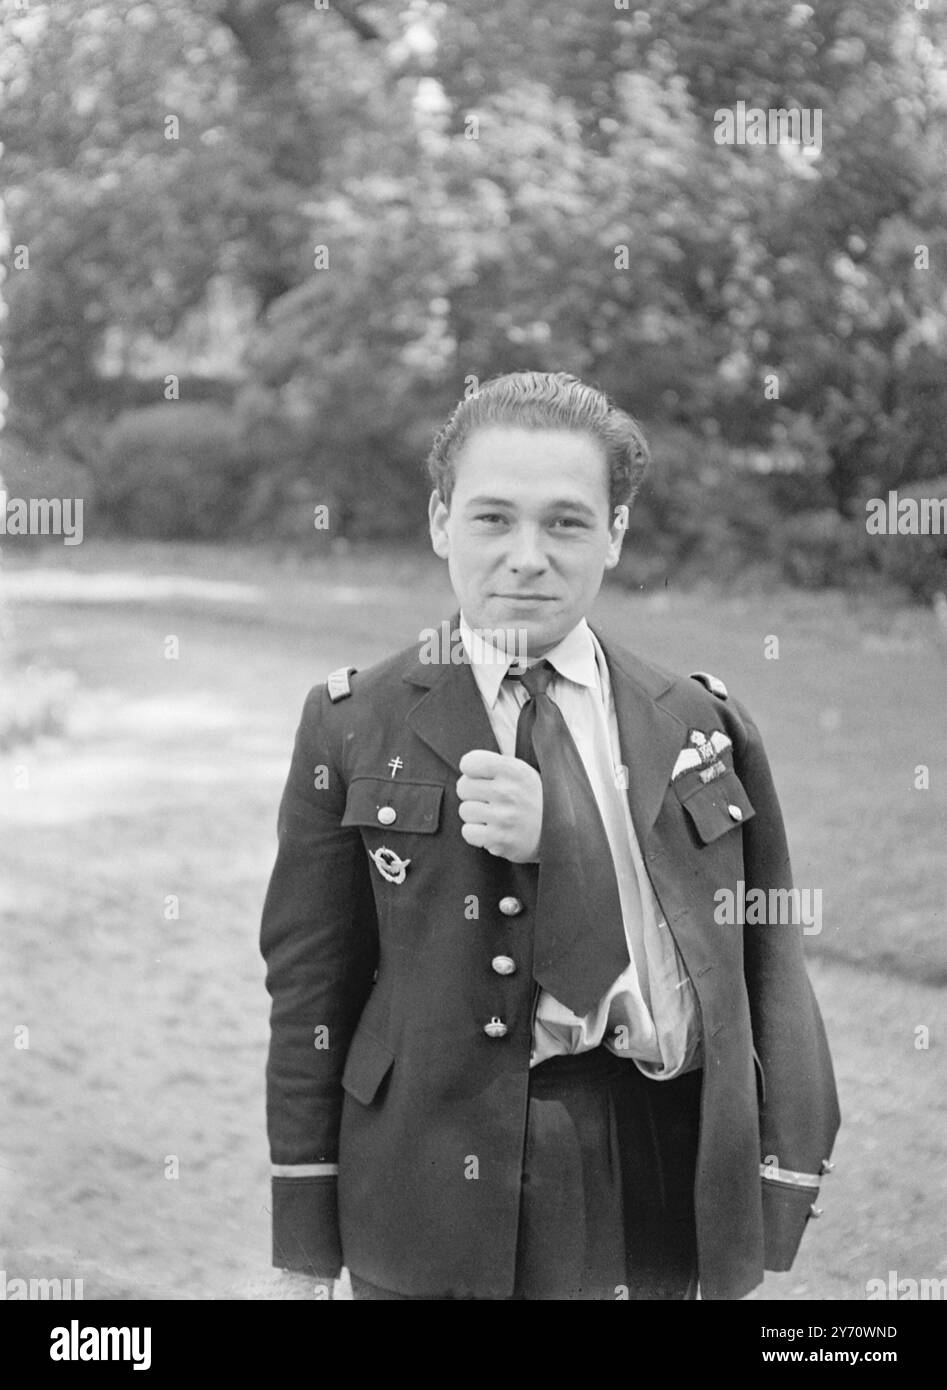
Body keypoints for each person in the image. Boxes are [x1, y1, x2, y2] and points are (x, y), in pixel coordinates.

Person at [259, 371, 840, 1301]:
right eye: (492, 519)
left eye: (566, 522)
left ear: (614, 534)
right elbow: (309, 991)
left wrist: (780, 1179)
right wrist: (301, 1244)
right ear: (441, 523)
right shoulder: (351, 721)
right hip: (419, 1185)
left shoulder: (697, 723)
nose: (527, 556)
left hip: (638, 1172)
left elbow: (764, 965)